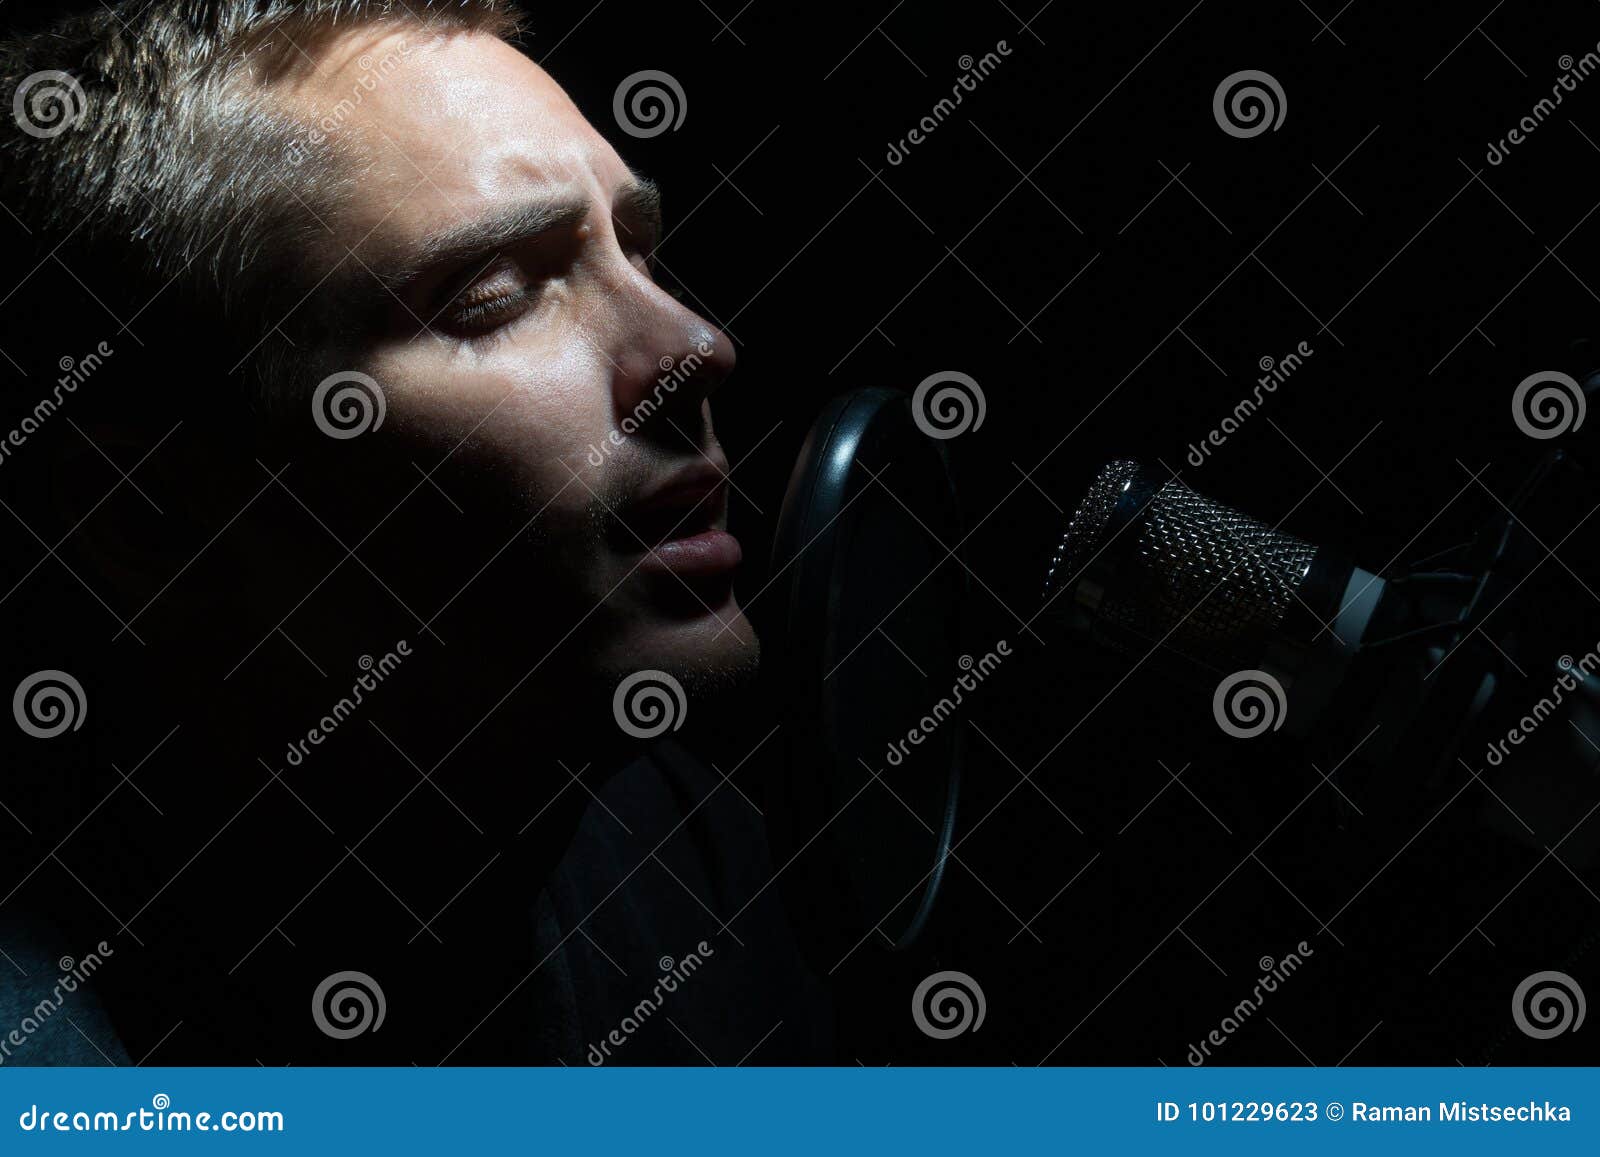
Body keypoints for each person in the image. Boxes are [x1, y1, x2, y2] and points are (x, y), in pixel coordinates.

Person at [0, 0, 828, 1064]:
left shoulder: (681, 854)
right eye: (492, 295)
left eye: (640, 252)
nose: (696, 347)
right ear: (143, 517)